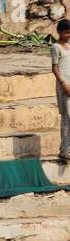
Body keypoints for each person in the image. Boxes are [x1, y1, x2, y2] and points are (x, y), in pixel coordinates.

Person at [53, 19, 70, 160]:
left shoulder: (69, 47)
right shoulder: (56, 47)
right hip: (64, 86)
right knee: (66, 118)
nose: (68, 35)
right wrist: (64, 84)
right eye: (66, 32)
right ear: (59, 32)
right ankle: (64, 150)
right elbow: (55, 68)